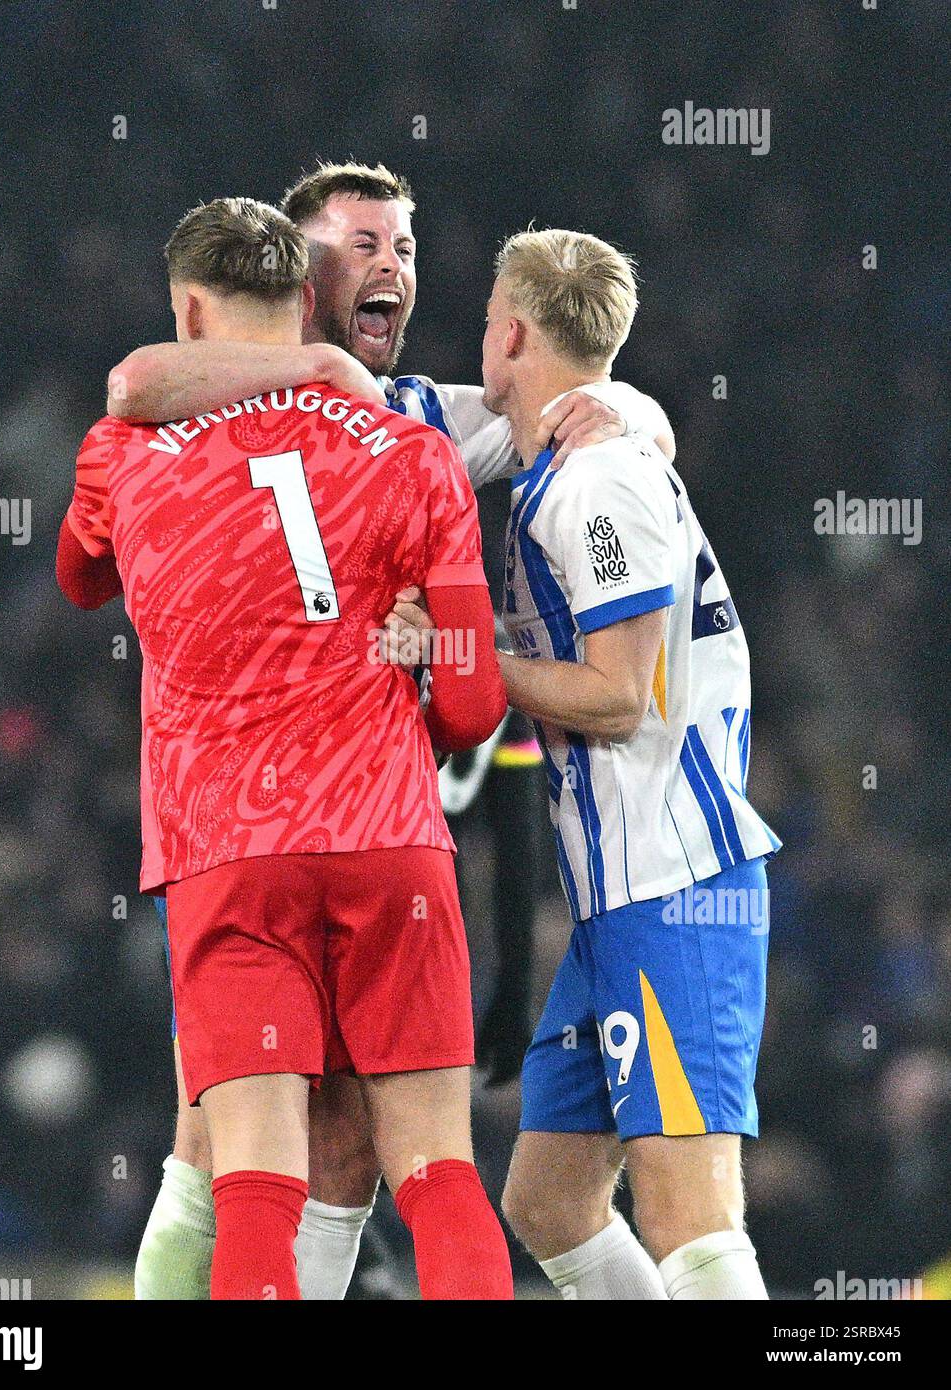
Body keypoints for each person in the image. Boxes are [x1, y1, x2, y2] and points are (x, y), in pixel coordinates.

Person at [109, 162, 678, 1299]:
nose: (392, 266)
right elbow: (134, 380)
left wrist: (635, 409)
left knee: (312, 1152)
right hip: (346, 829)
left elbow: (587, 414)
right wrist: (314, 366)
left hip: (269, 838)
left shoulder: (419, 418)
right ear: (294, 268)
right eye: (361, 242)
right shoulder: (218, 400)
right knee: (260, 1147)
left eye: (406, 250)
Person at [57, 196, 513, 1298]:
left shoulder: (125, 448)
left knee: (251, 1184)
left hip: (227, 852)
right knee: (441, 1172)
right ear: (306, 301)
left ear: (190, 313)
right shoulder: (416, 456)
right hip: (388, 842)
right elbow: (471, 706)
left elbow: (78, 578)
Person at [393, 227, 781, 1299]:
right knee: (548, 1201)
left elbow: (614, 695)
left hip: (674, 881)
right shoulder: (559, 447)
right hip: (615, 900)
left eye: (484, 325)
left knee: (688, 1212)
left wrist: (458, 651)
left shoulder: (596, 480)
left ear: (509, 331)